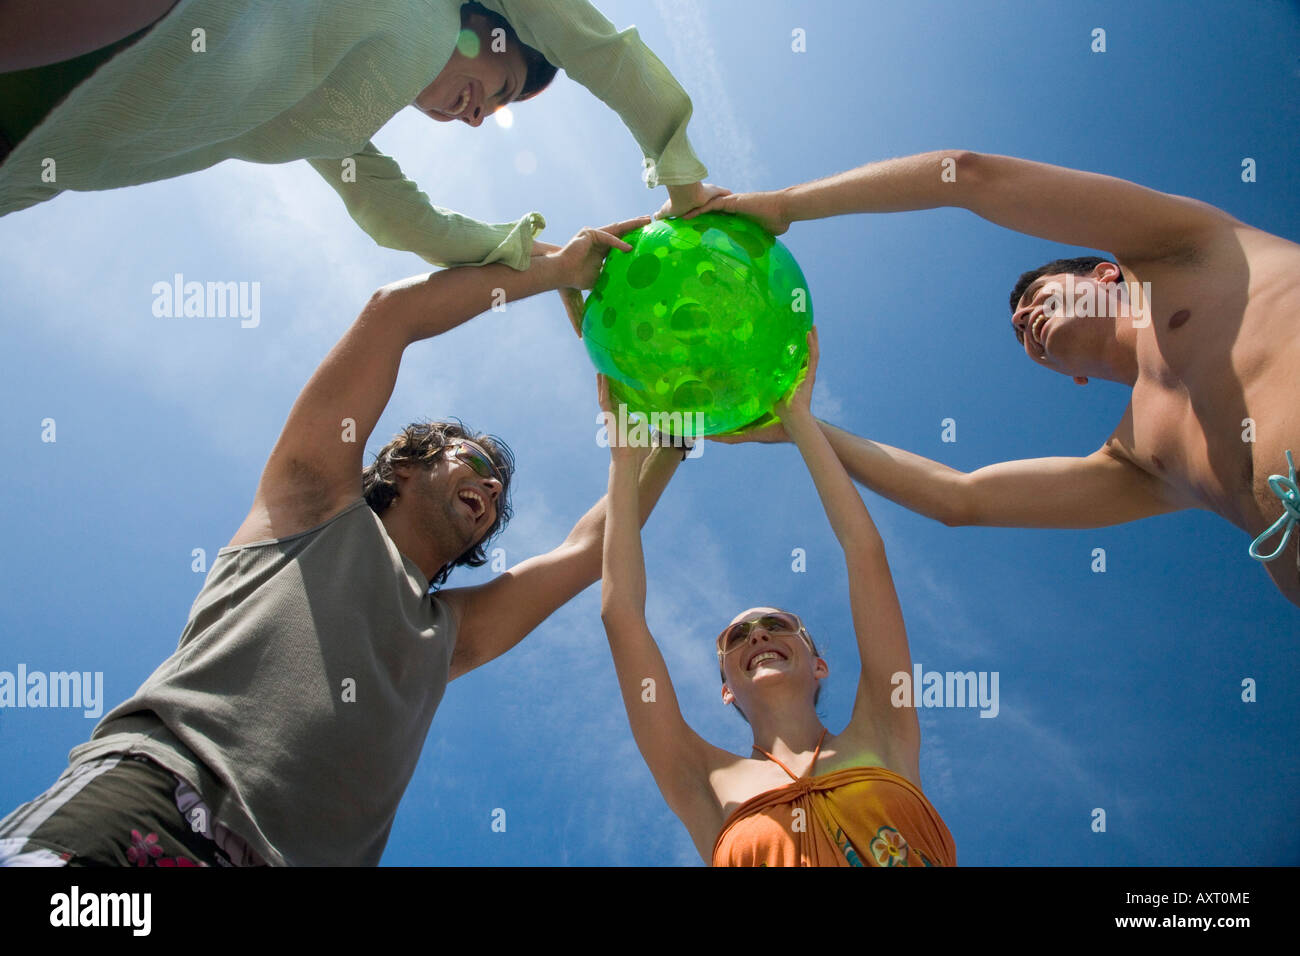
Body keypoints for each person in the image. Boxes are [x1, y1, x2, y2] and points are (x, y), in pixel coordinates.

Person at [0, 216, 684, 867]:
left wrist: (680, 433)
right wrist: (557, 269)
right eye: (475, 462)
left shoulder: (450, 632)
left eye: (499, 493)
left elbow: (590, 547)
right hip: (161, 803)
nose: (494, 489)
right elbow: (392, 315)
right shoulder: (310, 502)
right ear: (405, 463)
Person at [692, 151, 1300, 607]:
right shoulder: (1137, 461)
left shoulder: (1188, 251)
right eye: (1020, 333)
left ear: (1107, 275)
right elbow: (961, 499)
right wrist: (796, 425)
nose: (1024, 318)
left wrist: (783, 206)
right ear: (1073, 379)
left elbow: (969, 174)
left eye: (1038, 295)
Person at [0, 0, 726, 268]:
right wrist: (681, 177)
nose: (479, 115)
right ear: (491, 19)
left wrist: (545, 256)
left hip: (25, 153)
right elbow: (598, 47)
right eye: (501, 86)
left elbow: (406, 220)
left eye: (488, 114)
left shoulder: (338, 133)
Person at [598, 330, 956, 866]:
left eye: (776, 624)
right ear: (725, 691)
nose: (758, 633)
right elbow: (620, 615)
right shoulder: (702, 779)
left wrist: (798, 419)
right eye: (736, 636)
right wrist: (625, 461)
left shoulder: (886, 727)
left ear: (820, 665)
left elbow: (865, 553)